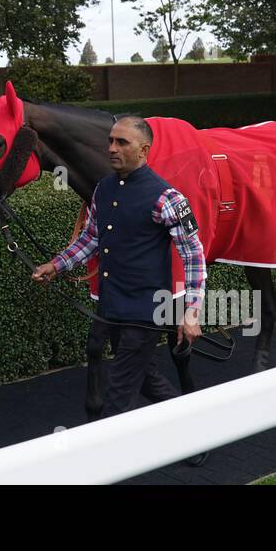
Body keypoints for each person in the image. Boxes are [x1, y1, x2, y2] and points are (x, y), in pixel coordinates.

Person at [32, 114, 206, 417]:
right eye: (110, 141)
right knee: (147, 381)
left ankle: (106, 458)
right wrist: (56, 265)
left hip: (146, 312)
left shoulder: (167, 198)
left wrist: (191, 312)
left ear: (143, 151)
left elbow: (193, 256)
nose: (112, 147)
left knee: (118, 394)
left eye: (122, 142)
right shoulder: (103, 189)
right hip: (112, 309)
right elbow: (91, 239)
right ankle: (195, 428)